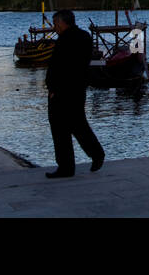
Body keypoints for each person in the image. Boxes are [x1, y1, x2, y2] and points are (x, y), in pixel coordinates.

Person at [44, 9, 106, 178]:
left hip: (63, 90)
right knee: (78, 124)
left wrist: (53, 89)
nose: (54, 27)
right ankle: (95, 153)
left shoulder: (65, 40)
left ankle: (66, 166)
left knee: (60, 128)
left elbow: (60, 67)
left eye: (56, 23)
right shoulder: (84, 36)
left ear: (64, 22)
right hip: (78, 88)